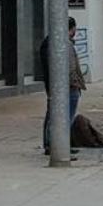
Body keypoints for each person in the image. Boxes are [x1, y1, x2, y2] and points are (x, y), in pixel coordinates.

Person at [41, 17, 85, 157]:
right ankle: (58, 145)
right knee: (64, 117)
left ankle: (53, 143)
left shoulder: (48, 42)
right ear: (71, 29)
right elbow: (71, 68)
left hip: (53, 85)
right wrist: (75, 83)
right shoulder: (63, 44)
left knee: (53, 115)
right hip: (66, 87)